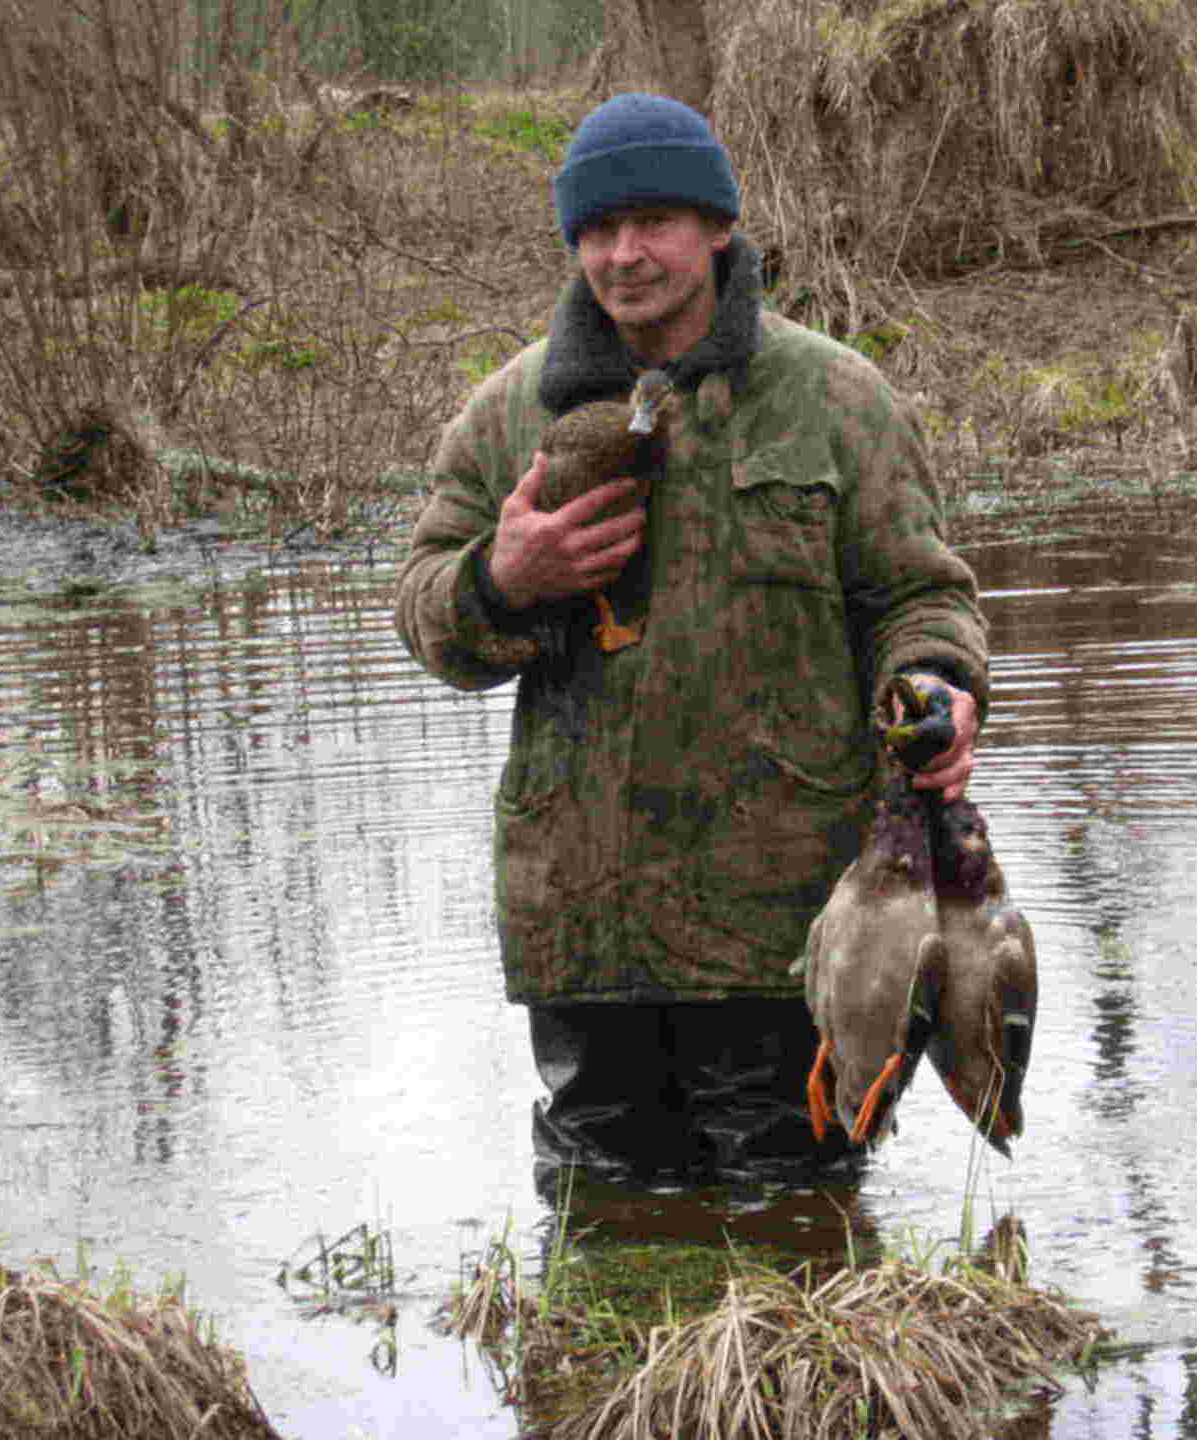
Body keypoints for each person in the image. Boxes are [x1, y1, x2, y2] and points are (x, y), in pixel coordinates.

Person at [393, 92, 988, 1182]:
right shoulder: (504, 415)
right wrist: (502, 580)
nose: (623, 255)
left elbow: (921, 596)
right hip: (585, 925)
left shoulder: (836, 399)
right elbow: (426, 619)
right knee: (604, 1238)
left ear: (718, 226)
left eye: (654, 222)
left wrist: (937, 688)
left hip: (789, 924)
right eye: (597, 230)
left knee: (798, 1233)